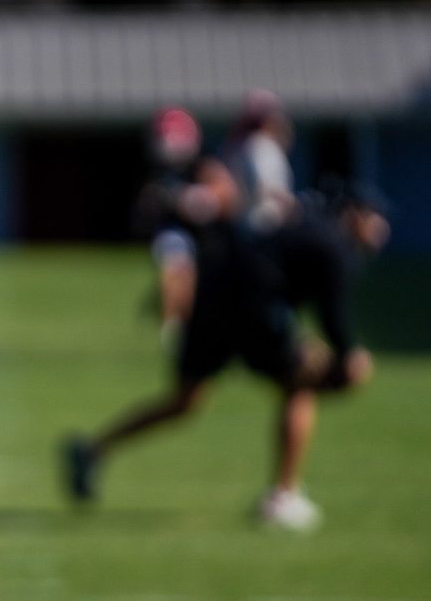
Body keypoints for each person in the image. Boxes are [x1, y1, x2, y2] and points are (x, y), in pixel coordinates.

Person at [64, 164, 388, 532]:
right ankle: (282, 497)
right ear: (353, 214)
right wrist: (350, 357)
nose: (381, 228)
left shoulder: (310, 225)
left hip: (215, 299)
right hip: (250, 307)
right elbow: (334, 318)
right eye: (375, 218)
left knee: (185, 400)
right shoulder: (335, 245)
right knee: (300, 384)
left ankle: (93, 449)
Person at [130, 106, 205, 349]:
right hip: (171, 233)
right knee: (174, 268)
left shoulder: (199, 170)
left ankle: (182, 320)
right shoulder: (156, 178)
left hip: (198, 236)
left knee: (190, 277)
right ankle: (171, 322)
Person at [221, 88, 298, 236]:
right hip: (266, 228)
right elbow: (268, 189)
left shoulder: (238, 146)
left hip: (243, 229)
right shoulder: (261, 147)